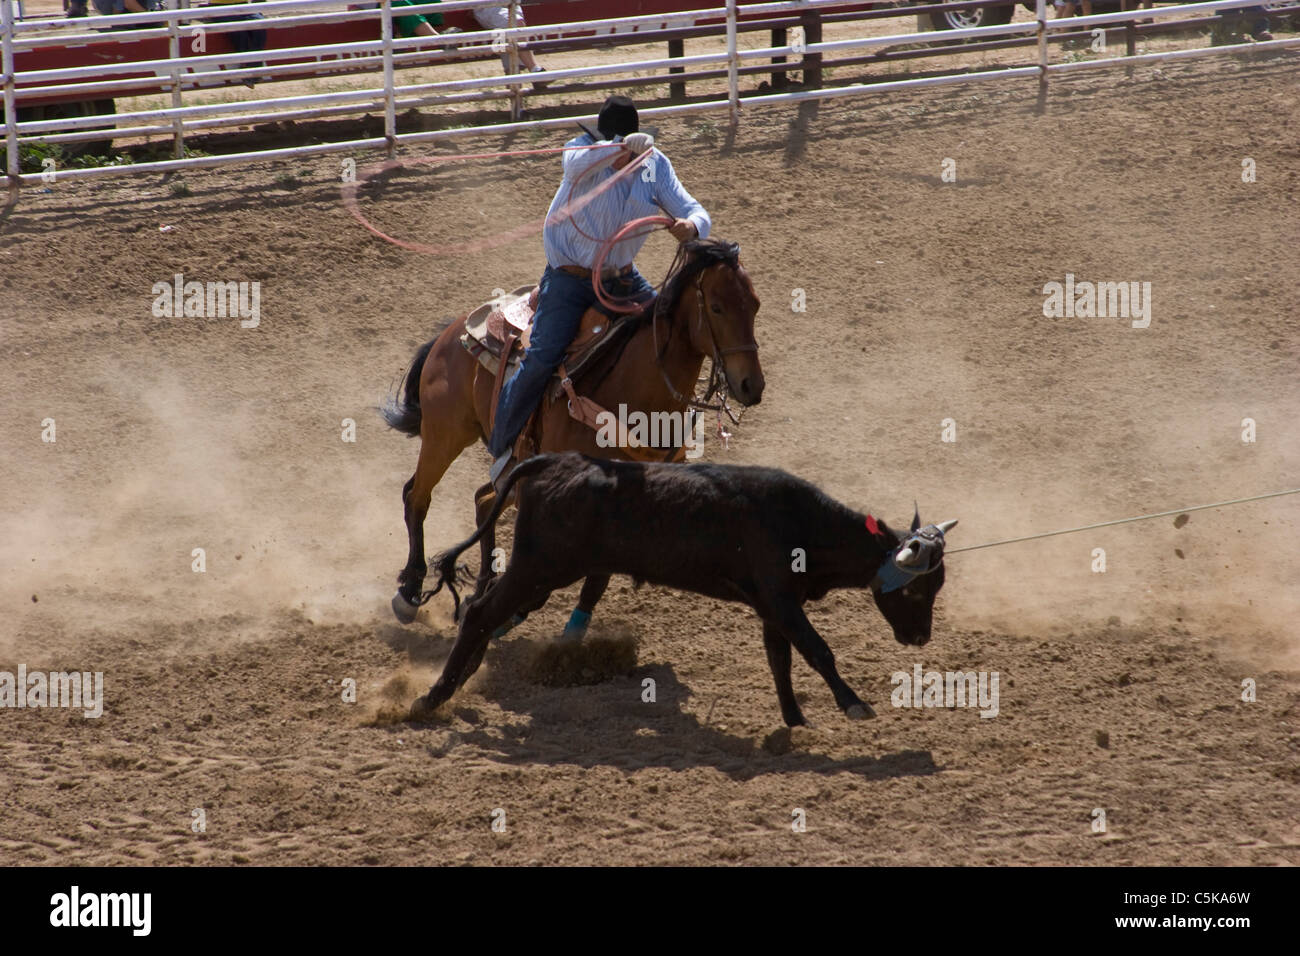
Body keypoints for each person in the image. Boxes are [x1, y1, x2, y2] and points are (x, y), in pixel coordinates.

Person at [485, 95, 711, 488]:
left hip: (620, 277)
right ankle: (502, 450)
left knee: (668, 339)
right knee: (540, 357)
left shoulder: (654, 166)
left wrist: (690, 226)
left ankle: (669, 439)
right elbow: (574, 164)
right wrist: (618, 148)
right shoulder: (583, 152)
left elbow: (696, 210)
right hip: (569, 279)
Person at [472, 4, 547, 85]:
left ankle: (513, 85)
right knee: (515, 24)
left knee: (505, 32)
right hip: (488, 6)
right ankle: (535, 71)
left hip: (509, 5)